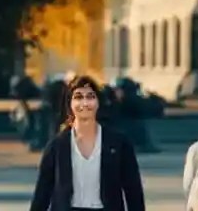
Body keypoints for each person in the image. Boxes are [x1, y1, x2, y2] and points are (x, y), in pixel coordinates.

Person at [28, 75, 146, 211]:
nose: (84, 103)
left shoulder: (119, 143)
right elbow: (42, 193)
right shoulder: (57, 146)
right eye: (78, 97)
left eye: (90, 97)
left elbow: (133, 191)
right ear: (70, 104)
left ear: (98, 102)